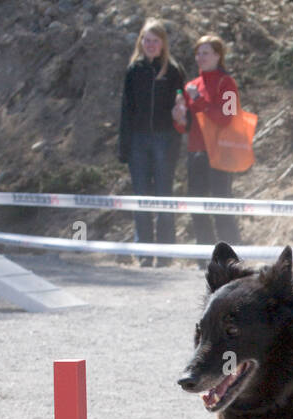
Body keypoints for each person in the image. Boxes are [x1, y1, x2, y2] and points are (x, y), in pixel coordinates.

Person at [118, 18, 186, 265]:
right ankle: (145, 254)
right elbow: (126, 110)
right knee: (141, 197)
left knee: (163, 196)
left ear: (163, 44)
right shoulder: (133, 71)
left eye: (155, 40)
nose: (150, 44)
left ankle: (166, 255)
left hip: (165, 140)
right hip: (137, 141)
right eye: (146, 40)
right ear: (141, 42)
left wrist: (177, 139)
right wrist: (123, 146)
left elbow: (181, 107)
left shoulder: (174, 71)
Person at [173, 34, 241, 246]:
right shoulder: (191, 85)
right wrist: (179, 118)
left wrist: (199, 101)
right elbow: (185, 126)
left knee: (221, 206)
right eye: (198, 53)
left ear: (218, 56)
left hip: (220, 154)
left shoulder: (227, 83)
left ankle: (233, 257)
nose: (201, 57)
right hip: (196, 152)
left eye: (206, 53)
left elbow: (227, 118)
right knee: (197, 205)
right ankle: (204, 256)